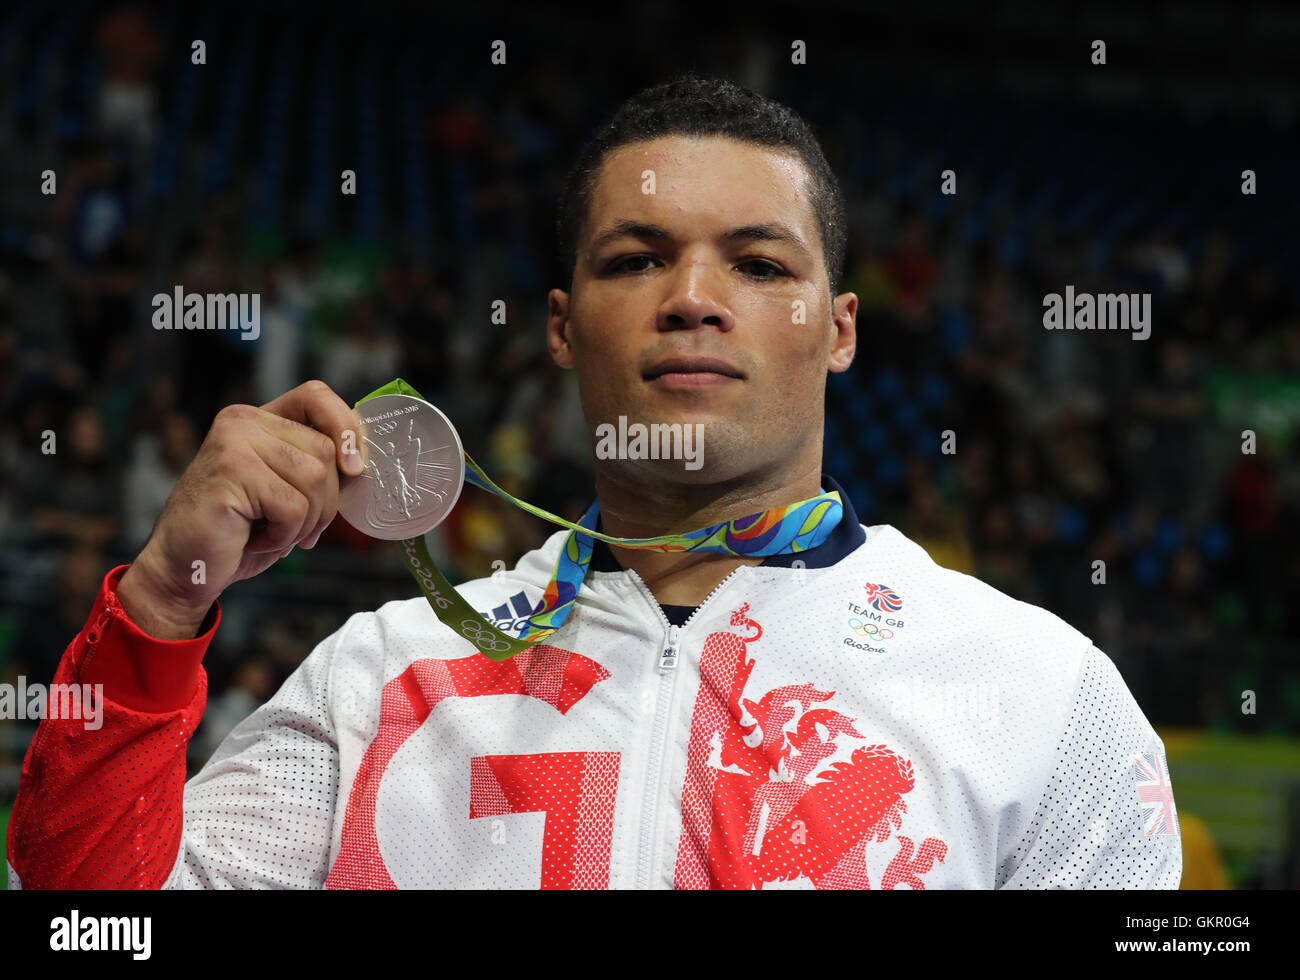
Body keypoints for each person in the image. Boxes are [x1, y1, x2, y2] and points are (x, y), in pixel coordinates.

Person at [6, 73, 1181, 889]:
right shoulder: (383, 676)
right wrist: (160, 611)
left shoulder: (1037, 696)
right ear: (562, 329)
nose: (692, 297)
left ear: (839, 329)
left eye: (759, 262)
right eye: (637, 258)